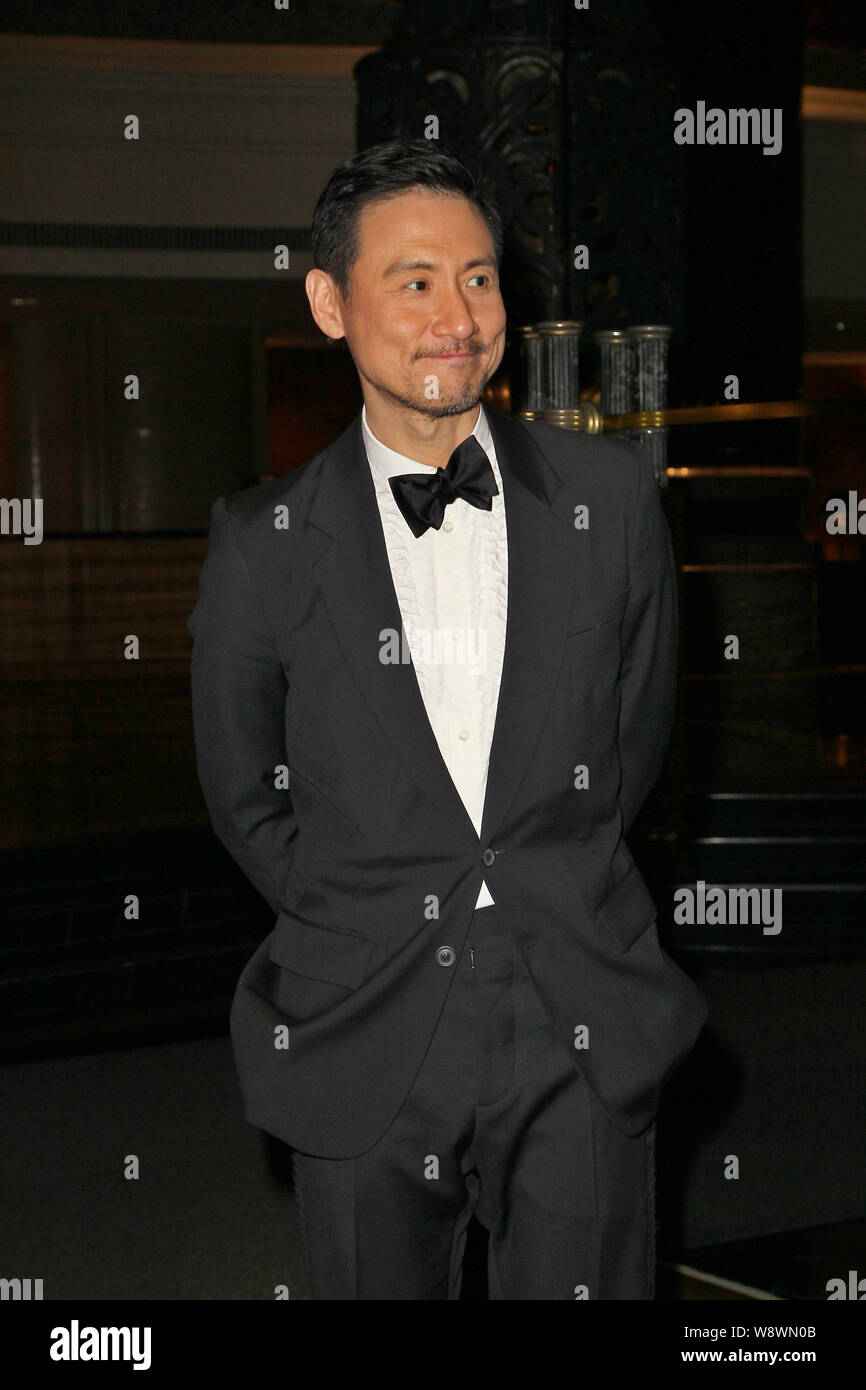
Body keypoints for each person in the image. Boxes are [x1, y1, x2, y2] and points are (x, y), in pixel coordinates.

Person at [187, 139, 708, 1300]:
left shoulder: (610, 501)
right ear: (330, 302)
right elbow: (243, 792)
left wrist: (546, 883)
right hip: (360, 1015)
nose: (456, 315)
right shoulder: (259, 544)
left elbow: (633, 746)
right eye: (413, 279)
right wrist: (364, 903)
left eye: (478, 278)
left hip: (575, 998)